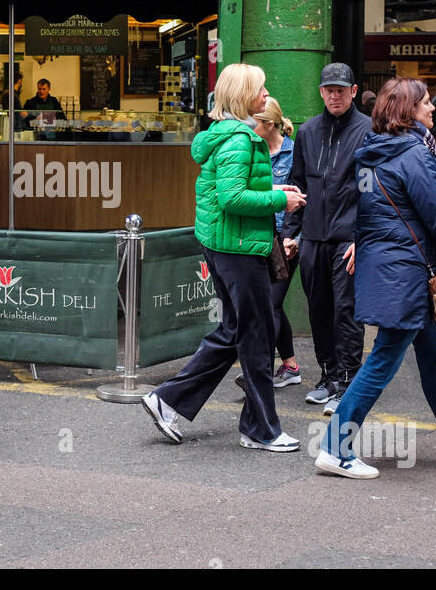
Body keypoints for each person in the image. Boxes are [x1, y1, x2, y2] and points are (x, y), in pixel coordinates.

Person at [140, 63, 306, 452]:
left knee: (235, 332)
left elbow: (232, 189)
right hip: (239, 249)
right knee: (256, 337)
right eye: (261, 90)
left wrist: (273, 188)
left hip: (226, 245)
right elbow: (233, 199)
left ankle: (168, 399)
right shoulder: (239, 140)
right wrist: (281, 199)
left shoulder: (225, 134)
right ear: (244, 95)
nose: (267, 96)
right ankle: (260, 429)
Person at [315, 78, 436, 479]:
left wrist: (363, 245)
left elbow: (367, 212)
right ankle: (335, 446)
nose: (432, 109)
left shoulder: (370, 153)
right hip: (407, 271)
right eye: (425, 104)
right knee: (384, 358)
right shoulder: (415, 155)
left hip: (391, 266)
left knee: (435, 356)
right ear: (408, 111)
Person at [282, 61, 372, 413]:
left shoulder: (367, 130)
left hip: (348, 238)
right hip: (313, 238)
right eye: (328, 89)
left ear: (353, 91)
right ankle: (328, 375)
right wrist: (291, 233)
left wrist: (361, 236)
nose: (334, 95)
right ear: (320, 92)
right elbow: (298, 184)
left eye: (340, 89)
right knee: (319, 309)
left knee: (346, 312)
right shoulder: (307, 131)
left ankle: (347, 381)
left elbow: (373, 191)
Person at [234, 96, 302, 389]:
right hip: (259, 237)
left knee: (270, 305)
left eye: (254, 123)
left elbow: (305, 198)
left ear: (270, 124)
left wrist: (295, 237)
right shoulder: (251, 150)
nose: (249, 128)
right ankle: (290, 365)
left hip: (285, 239)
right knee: (270, 305)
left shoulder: (296, 154)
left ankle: (258, 372)